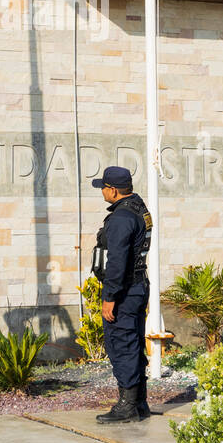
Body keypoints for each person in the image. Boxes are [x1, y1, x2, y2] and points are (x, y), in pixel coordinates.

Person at [90, 165, 153, 423]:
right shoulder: (138, 208)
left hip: (124, 292)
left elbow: (117, 261)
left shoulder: (121, 218)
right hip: (137, 287)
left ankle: (128, 406)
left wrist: (110, 297)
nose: (102, 191)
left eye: (104, 187)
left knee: (122, 344)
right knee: (133, 343)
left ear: (113, 190)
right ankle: (139, 403)